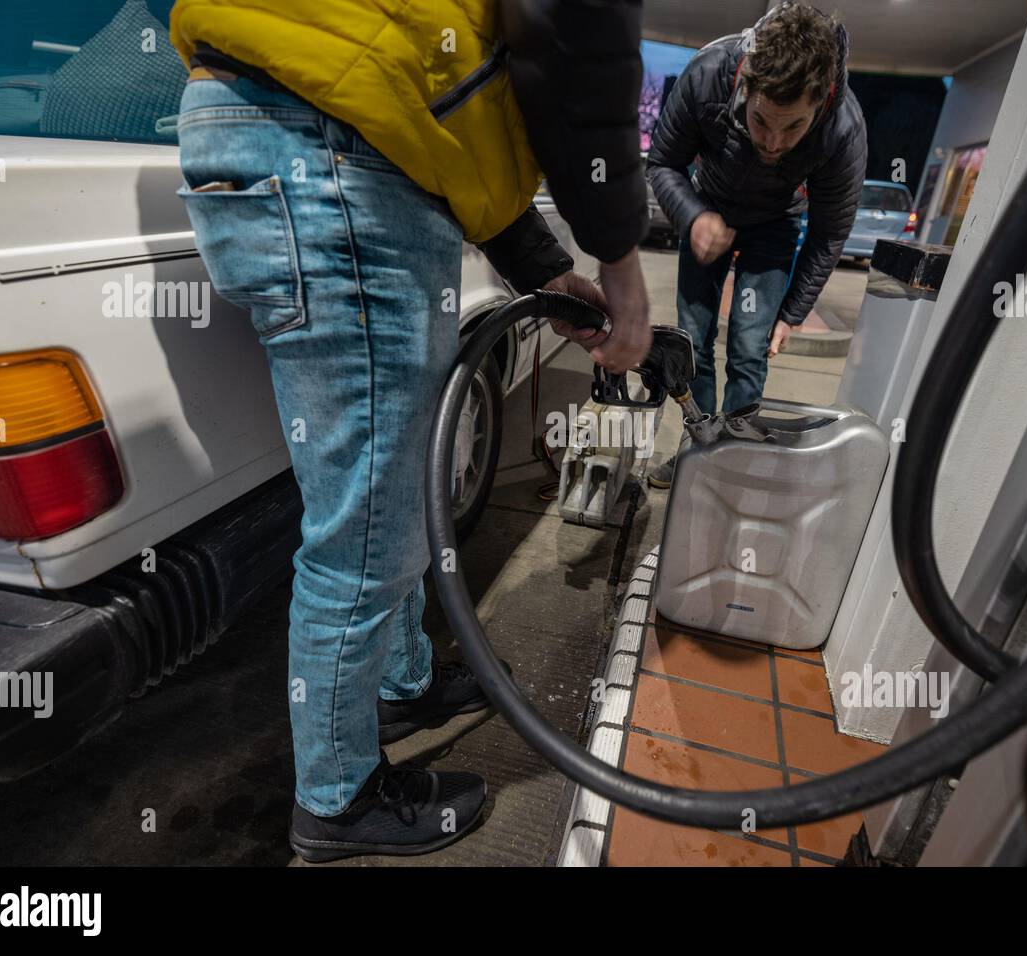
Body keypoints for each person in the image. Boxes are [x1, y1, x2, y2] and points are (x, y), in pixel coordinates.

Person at [168, 0, 650, 860]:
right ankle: (337, 799)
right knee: (363, 539)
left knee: (389, 497)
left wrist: (546, 270)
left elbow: (442, 119)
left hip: (333, 142)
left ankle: (403, 684)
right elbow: (582, 43)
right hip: (334, 155)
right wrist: (623, 263)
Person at [645, 2, 866, 488]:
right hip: (708, 210)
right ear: (745, 83)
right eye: (762, 121)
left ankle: (736, 458)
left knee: (749, 347)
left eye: (794, 127)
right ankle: (697, 453)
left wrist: (792, 312)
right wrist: (693, 215)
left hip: (775, 225)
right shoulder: (707, 76)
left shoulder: (842, 130)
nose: (772, 142)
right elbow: (662, 162)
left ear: (822, 101)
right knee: (692, 343)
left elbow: (829, 232)